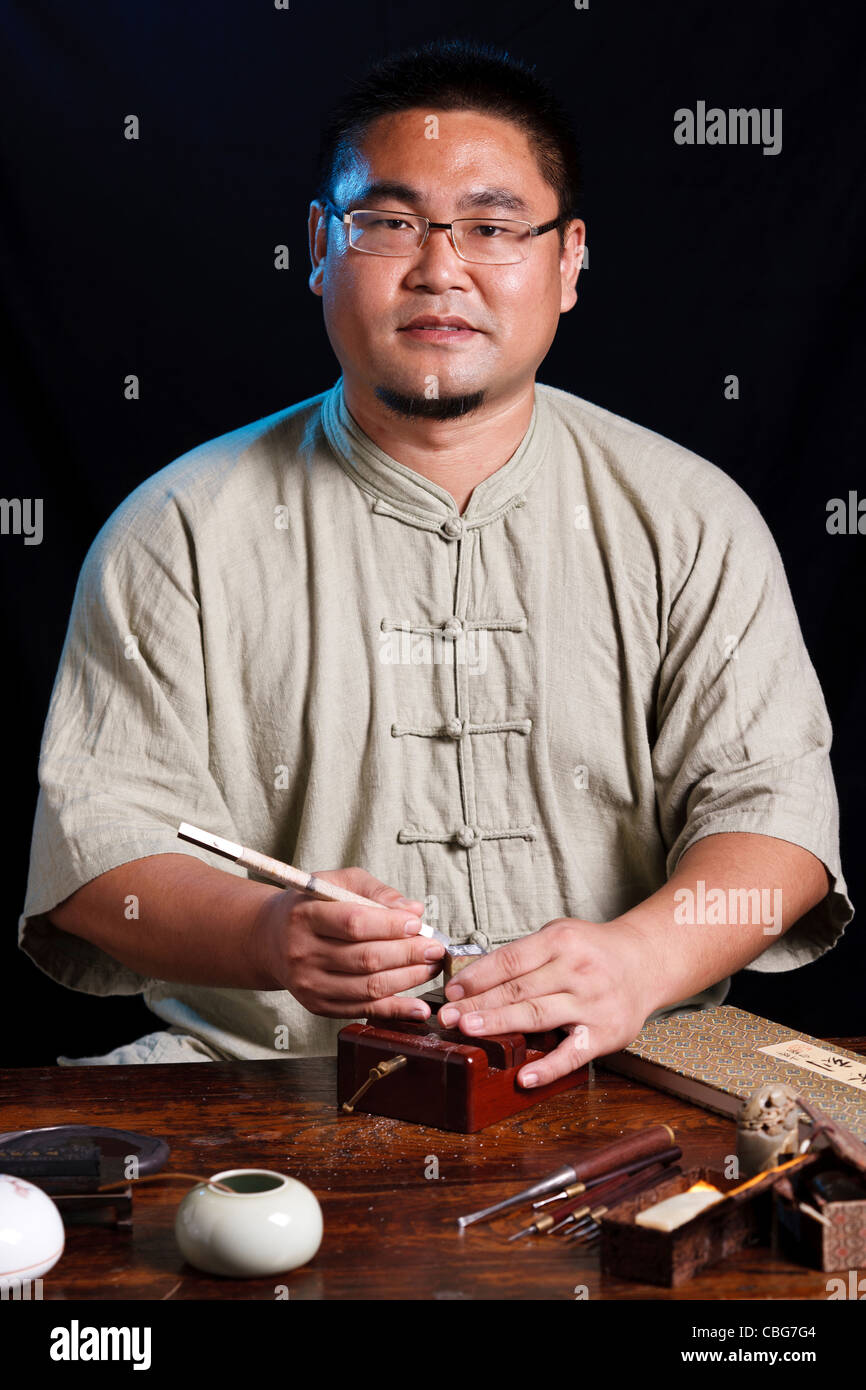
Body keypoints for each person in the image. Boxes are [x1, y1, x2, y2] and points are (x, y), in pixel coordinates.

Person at [20, 39, 852, 1082]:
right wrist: (271, 932)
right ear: (320, 245)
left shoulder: (690, 517)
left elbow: (773, 820)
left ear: (569, 258)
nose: (439, 267)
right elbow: (98, 858)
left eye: (492, 225)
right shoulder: (177, 527)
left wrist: (634, 961)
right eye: (389, 222)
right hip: (265, 1075)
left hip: (627, 1065)